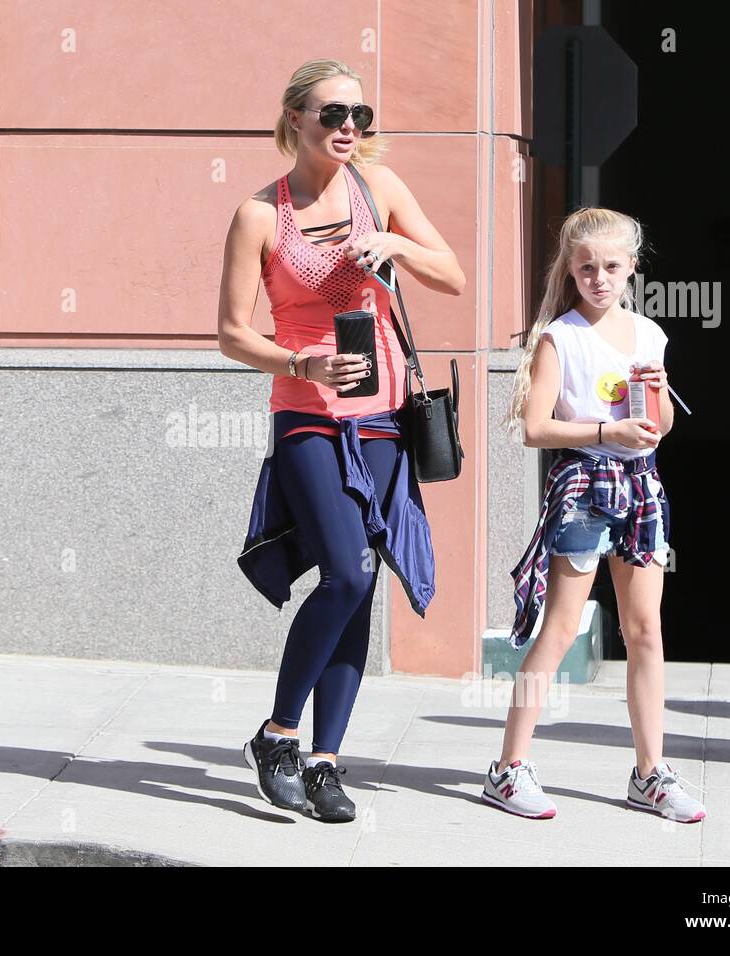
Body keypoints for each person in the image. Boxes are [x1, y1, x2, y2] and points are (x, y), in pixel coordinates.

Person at [218, 59, 465, 821]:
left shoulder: (379, 192)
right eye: (332, 113)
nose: (349, 126)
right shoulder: (261, 214)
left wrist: (395, 250)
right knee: (349, 572)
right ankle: (277, 734)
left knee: (360, 589)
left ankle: (326, 762)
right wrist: (304, 359)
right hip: (306, 411)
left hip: (384, 412)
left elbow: (452, 275)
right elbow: (230, 334)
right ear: (295, 118)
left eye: (359, 112)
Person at [484, 206, 705, 823]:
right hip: (583, 481)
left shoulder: (650, 335)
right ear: (571, 271)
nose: (599, 278)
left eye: (611, 266)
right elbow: (534, 427)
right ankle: (507, 769)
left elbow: (657, 429)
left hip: (640, 484)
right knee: (559, 630)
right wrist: (608, 426)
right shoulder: (562, 336)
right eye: (587, 268)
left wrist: (653, 402)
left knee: (646, 633)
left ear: (632, 267)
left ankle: (649, 773)